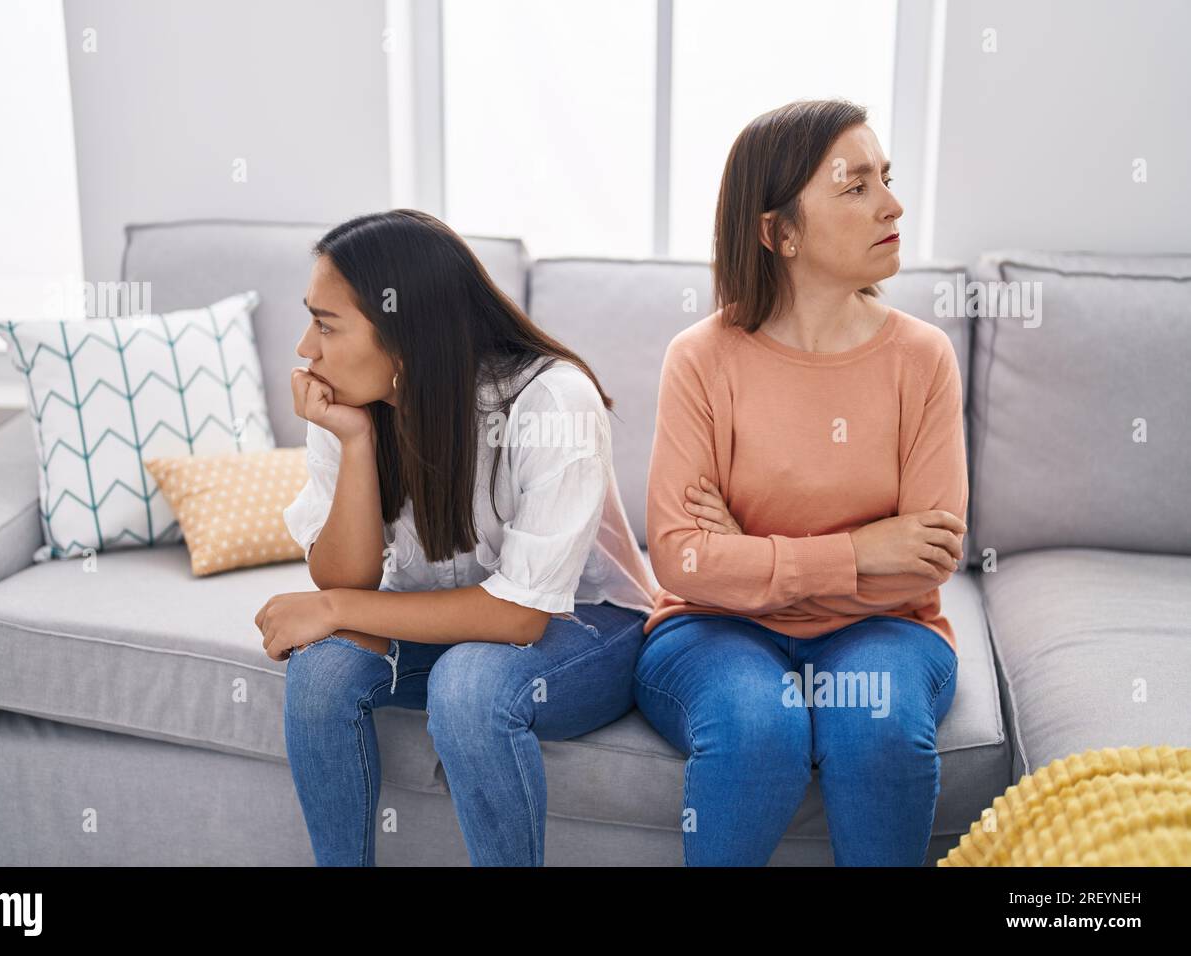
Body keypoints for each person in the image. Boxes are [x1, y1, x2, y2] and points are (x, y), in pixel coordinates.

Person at [255, 209, 656, 866]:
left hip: (584, 625)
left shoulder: (552, 401)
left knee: (467, 686)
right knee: (322, 671)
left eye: (326, 325)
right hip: (445, 622)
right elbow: (344, 577)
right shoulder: (345, 402)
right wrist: (355, 442)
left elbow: (521, 617)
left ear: (405, 334)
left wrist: (333, 610)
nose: (306, 347)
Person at [635, 99, 968, 866]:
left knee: (878, 726)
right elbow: (682, 561)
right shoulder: (700, 358)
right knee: (757, 730)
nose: (892, 203)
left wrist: (747, 557)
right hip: (710, 630)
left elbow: (928, 556)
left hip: (887, 631)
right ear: (777, 232)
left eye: (886, 178)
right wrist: (860, 551)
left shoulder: (922, 359)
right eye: (855, 187)